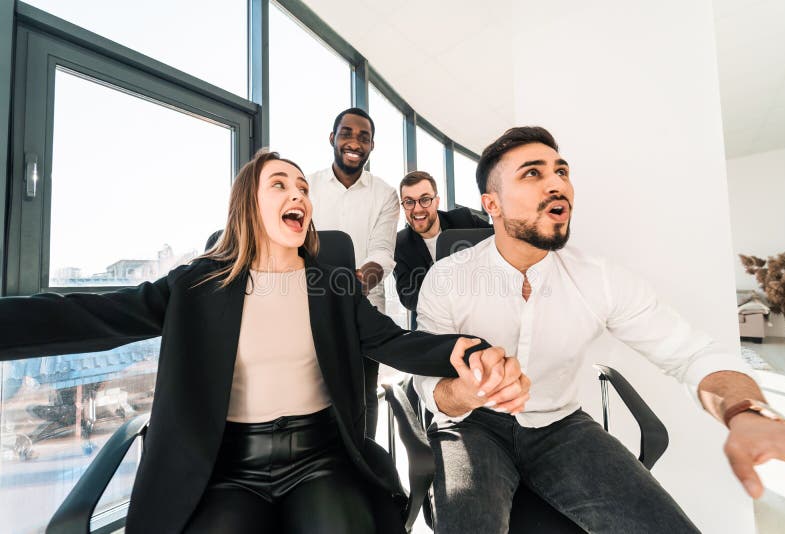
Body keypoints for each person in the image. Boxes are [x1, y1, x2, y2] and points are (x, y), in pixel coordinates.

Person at [0, 149, 528, 534]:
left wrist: (462, 349)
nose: (298, 194)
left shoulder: (331, 284)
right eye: (281, 184)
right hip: (228, 467)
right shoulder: (198, 286)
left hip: (320, 456)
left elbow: (392, 340)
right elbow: (93, 315)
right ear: (247, 204)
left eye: (302, 188)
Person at [413, 127, 785, 533]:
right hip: (473, 427)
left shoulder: (600, 279)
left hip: (561, 427)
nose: (557, 184)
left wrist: (745, 411)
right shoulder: (447, 278)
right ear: (492, 204)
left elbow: (690, 353)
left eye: (561, 172)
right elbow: (428, 382)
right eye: (533, 173)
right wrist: (465, 392)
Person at [307, 107, 400, 439]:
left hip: (365, 314)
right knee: (314, 400)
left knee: (363, 403)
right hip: (311, 308)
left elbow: (381, 252)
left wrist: (360, 280)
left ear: (372, 146)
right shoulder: (307, 187)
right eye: (347, 133)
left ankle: (366, 473)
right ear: (333, 138)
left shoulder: (385, 194)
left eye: (364, 137)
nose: (355, 142)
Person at [393, 170, 490, 315]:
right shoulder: (400, 244)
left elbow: (500, 237)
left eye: (425, 199)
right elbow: (408, 297)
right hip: (435, 321)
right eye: (409, 202)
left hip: (481, 311)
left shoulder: (464, 219)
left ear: (437, 202)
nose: (417, 209)